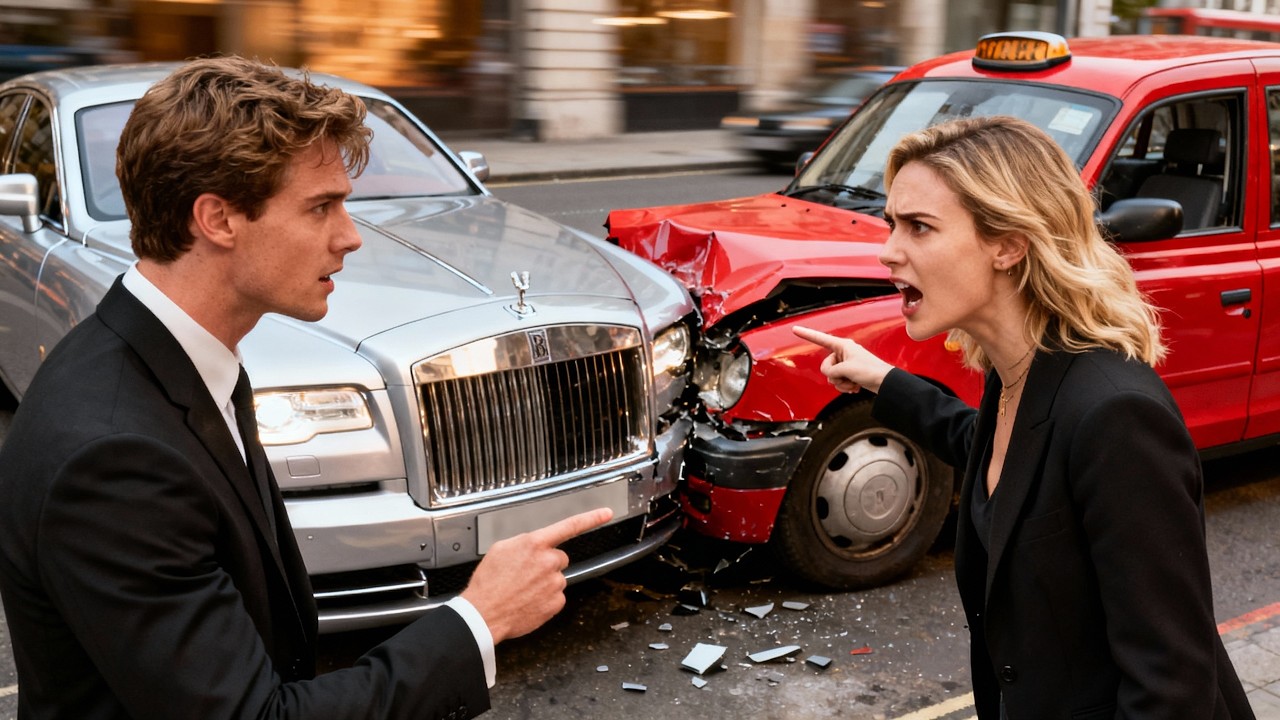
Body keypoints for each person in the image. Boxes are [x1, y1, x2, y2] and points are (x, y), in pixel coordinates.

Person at [0, 56, 610, 719]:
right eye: (321, 206)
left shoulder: (181, 358)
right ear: (218, 219)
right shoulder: (115, 460)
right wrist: (479, 620)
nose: (350, 237)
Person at [794, 116, 1253, 720]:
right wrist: (884, 381)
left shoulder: (1118, 417)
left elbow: (1172, 686)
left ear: (1008, 245)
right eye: (892, 223)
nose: (888, 250)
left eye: (919, 227)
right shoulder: (1018, 372)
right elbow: (1000, 457)